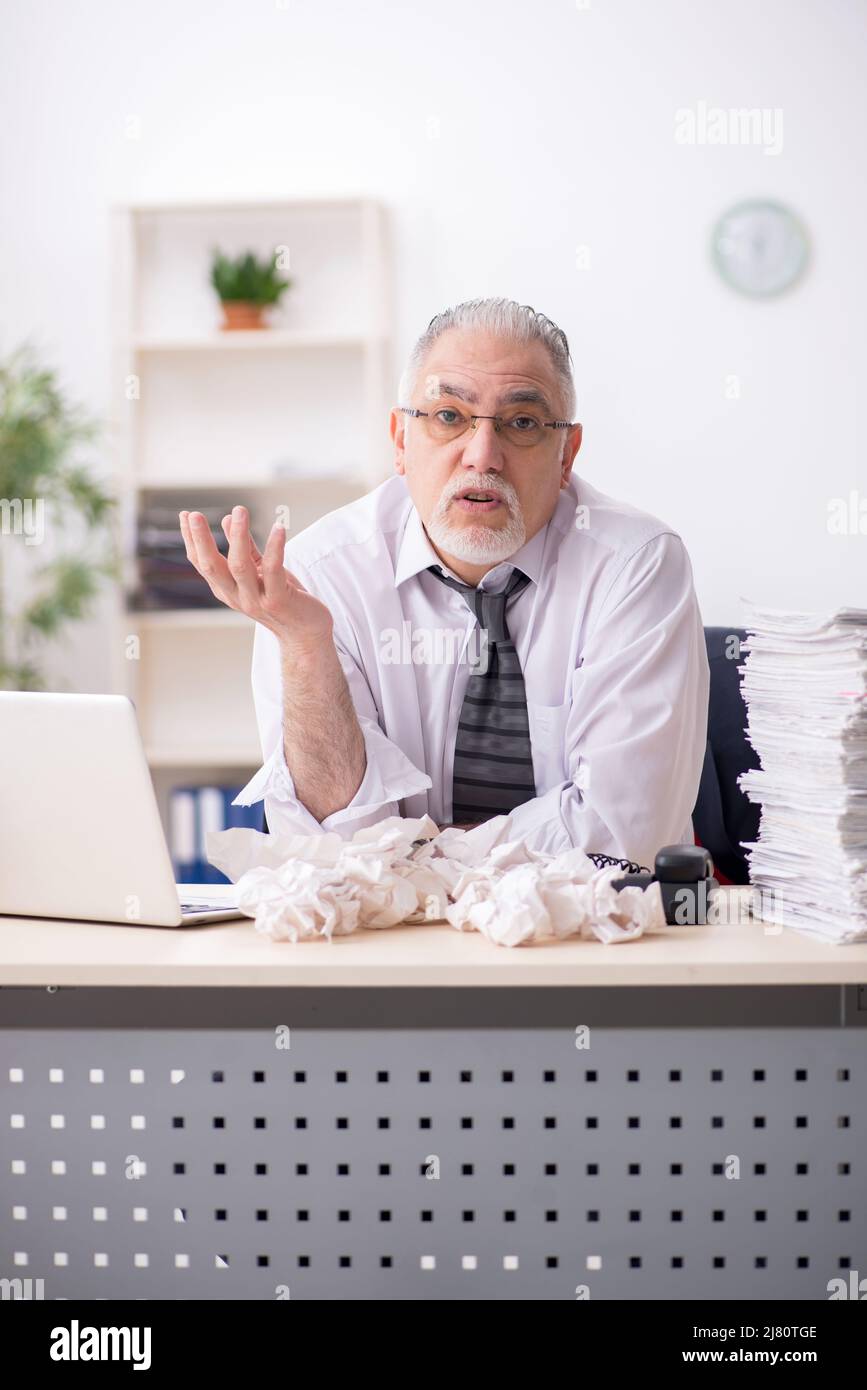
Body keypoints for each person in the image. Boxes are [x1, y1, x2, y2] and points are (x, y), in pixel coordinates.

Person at [179, 297, 709, 864]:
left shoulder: (636, 565)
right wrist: (307, 648)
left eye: (522, 423)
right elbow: (331, 849)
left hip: (596, 939)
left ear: (566, 454)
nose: (483, 456)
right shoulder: (317, 577)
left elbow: (622, 832)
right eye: (449, 416)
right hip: (395, 946)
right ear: (401, 441)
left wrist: (420, 860)